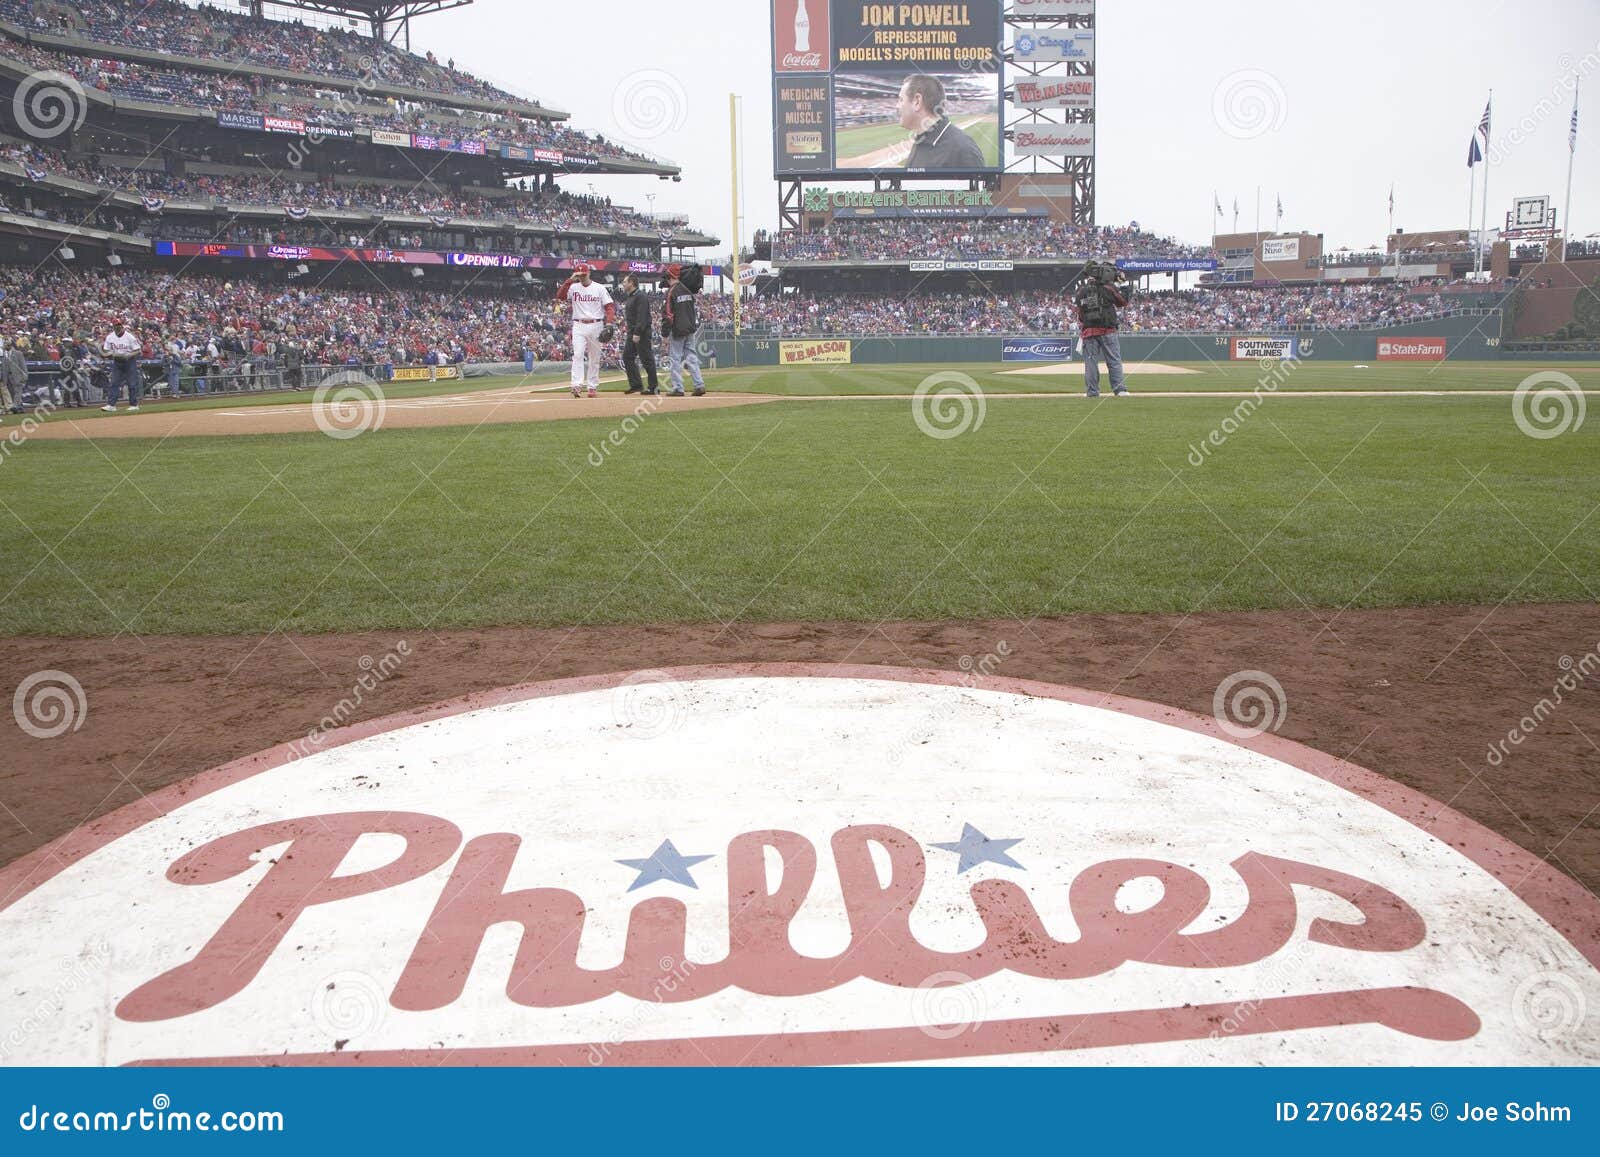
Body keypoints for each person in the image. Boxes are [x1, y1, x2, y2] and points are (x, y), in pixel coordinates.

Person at [897, 75, 985, 170]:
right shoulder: (921, 139)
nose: (897, 106)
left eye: (901, 99)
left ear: (917, 101)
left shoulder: (963, 151)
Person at [555, 262, 615, 398]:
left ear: (589, 273)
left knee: (594, 358)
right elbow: (560, 296)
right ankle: (576, 385)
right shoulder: (573, 287)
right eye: (579, 275)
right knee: (578, 354)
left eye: (584, 274)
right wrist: (570, 279)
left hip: (596, 324)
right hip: (579, 324)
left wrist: (609, 323)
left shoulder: (599, 288)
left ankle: (592, 386)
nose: (582, 277)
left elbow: (610, 306)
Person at [1074, 262, 1129, 398]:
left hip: (1089, 332)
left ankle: (1092, 392)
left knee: (1091, 363)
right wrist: (1122, 284)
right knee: (1114, 361)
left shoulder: (1081, 291)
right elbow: (1123, 302)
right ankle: (1119, 390)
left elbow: (1080, 315)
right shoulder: (1108, 288)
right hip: (1107, 331)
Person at [662, 266, 705, 397]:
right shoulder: (688, 290)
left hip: (677, 329)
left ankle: (678, 388)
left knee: (675, 358)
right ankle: (699, 384)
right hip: (690, 328)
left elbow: (668, 315)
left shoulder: (671, 292)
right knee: (691, 357)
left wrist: (664, 334)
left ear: (670, 277)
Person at [619, 274, 660, 395]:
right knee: (627, 357)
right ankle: (636, 385)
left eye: (625, 282)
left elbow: (642, 316)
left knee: (647, 359)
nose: (623, 284)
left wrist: (637, 332)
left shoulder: (640, 296)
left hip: (640, 332)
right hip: (632, 332)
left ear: (632, 283)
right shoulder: (631, 296)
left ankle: (654, 387)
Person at [101, 319, 143, 412]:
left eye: (120, 325)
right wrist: (112, 354)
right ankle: (111, 405)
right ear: (113, 326)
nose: (118, 326)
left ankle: (134, 404)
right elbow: (106, 351)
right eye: (116, 325)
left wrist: (129, 355)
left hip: (129, 361)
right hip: (117, 361)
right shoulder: (110, 337)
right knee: (114, 383)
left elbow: (137, 350)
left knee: (132, 383)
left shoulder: (129, 337)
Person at [0, 336, 25, 422]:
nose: (5, 346)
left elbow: (23, 366)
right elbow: (4, 368)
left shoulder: (18, 353)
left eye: (7, 345)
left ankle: (16, 407)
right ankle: (16, 407)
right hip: (7, 377)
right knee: (11, 392)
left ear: (11, 345)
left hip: (17, 376)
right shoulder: (4, 355)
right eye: (5, 345)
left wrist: (25, 376)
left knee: (18, 392)